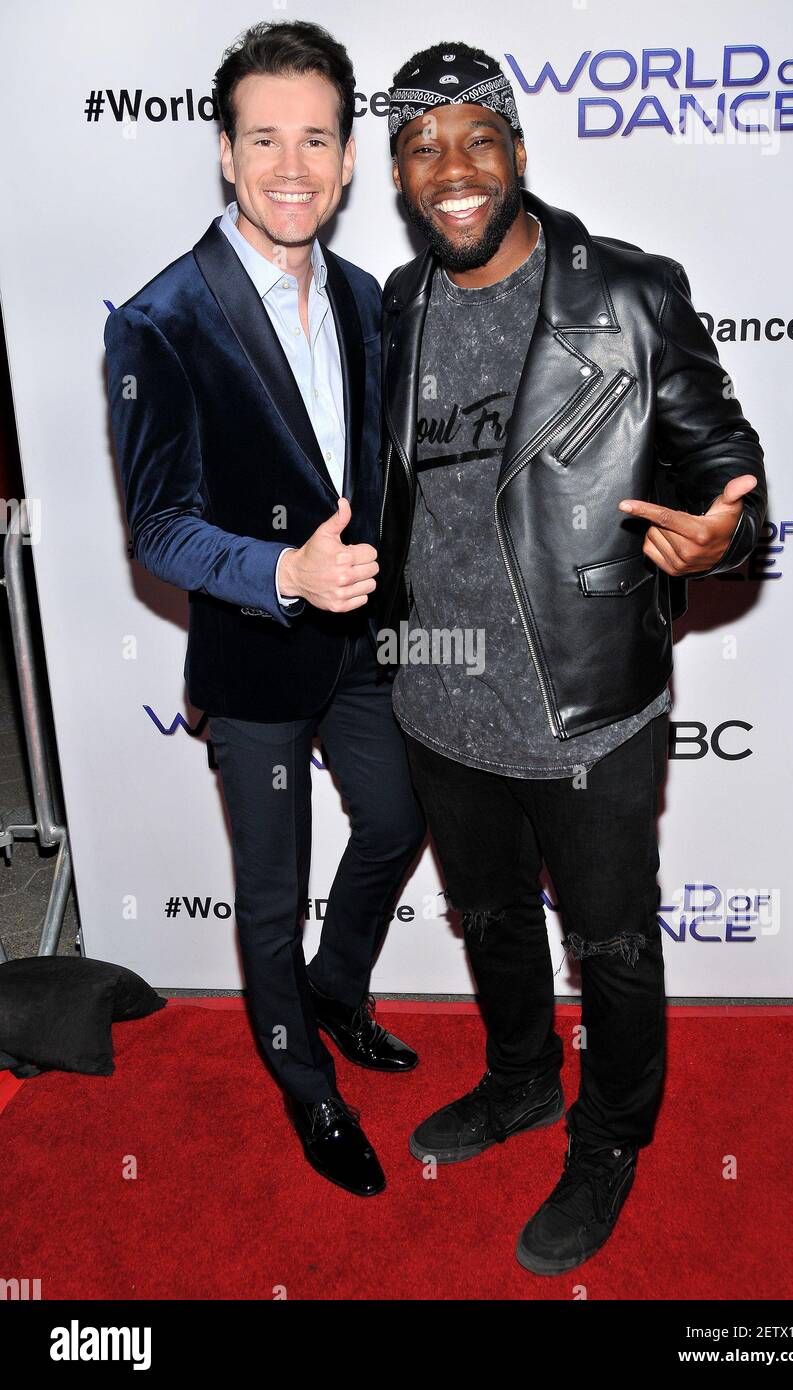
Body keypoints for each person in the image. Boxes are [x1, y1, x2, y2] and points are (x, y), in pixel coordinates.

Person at [376, 41, 768, 1273]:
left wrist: (721, 534)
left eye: (474, 140)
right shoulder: (396, 303)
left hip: (585, 702)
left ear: (517, 156)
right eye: (421, 146)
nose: (451, 168)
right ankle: (520, 1080)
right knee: (489, 918)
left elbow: (727, 474)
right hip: (438, 699)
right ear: (398, 173)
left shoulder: (629, 295)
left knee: (609, 941)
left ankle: (608, 1137)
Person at [104, 20, 426, 1200]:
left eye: (317, 138)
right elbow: (158, 528)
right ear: (227, 158)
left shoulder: (360, 296)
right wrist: (285, 575)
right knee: (269, 897)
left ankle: (338, 991)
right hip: (252, 656)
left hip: (360, 648)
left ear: (346, 160)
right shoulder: (160, 320)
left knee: (393, 826)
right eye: (264, 138)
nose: (292, 164)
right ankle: (307, 1088)